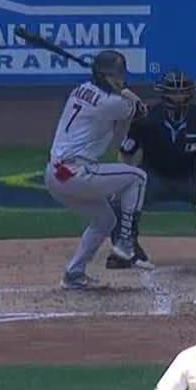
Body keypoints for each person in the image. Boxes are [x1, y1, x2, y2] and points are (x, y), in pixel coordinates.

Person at [45, 50, 153, 290]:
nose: (121, 79)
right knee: (137, 177)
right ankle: (126, 242)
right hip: (76, 173)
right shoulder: (109, 104)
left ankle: (74, 274)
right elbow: (140, 111)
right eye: (115, 76)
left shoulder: (80, 89)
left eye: (121, 75)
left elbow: (123, 99)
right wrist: (125, 92)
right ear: (103, 76)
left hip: (55, 175)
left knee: (105, 219)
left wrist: (116, 87)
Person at [112, 69, 196, 266]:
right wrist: (123, 180)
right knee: (118, 198)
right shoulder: (146, 118)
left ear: (191, 93)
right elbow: (126, 152)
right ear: (164, 93)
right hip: (153, 176)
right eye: (174, 92)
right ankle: (126, 249)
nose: (178, 97)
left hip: (192, 176)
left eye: (182, 92)